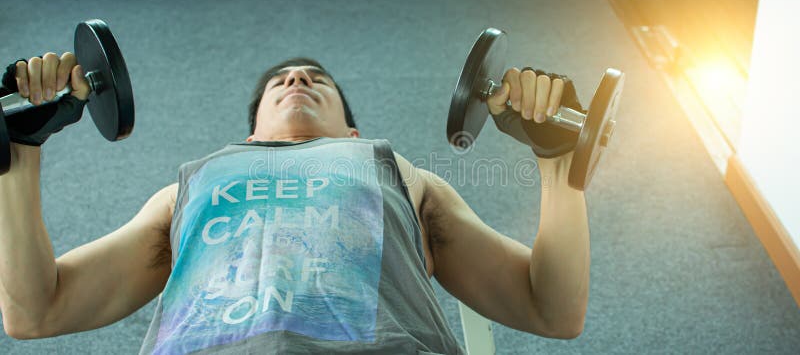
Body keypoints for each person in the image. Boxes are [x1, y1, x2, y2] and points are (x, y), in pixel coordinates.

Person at [0, 52, 589, 354]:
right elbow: (37, 312)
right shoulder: (193, 184)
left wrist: (559, 163)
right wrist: (20, 155)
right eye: (281, 81)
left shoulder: (395, 169)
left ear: (352, 135)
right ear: (250, 134)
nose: (298, 80)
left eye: (316, 80)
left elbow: (550, 310)